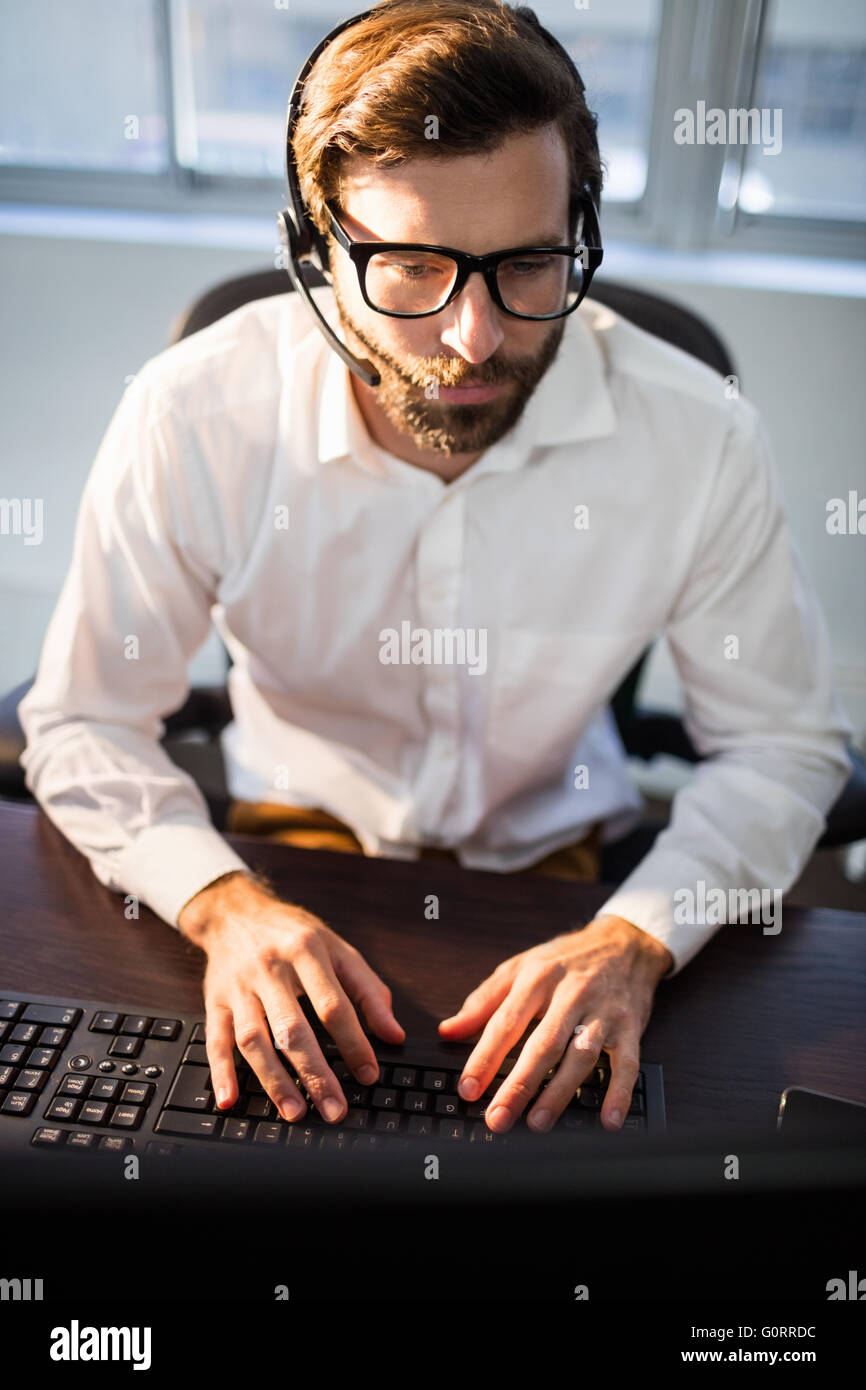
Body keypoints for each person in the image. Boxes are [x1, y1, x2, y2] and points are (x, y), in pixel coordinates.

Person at [18, 0, 851, 1141]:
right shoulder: (191, 413)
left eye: (524, 262)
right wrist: (218, 906)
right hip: (281, 842)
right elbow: (80, 721)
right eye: (409, 268)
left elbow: (783, 746)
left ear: (578, 231)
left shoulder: (697, 435)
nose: (470, 338)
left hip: (558, 870)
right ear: (317, 251)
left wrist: (636, 935)